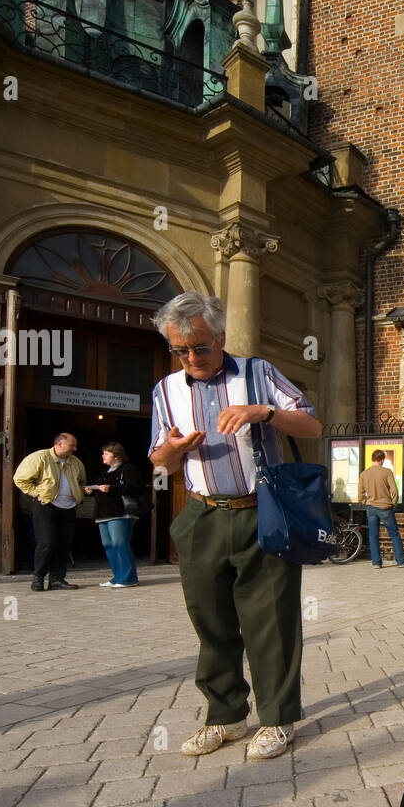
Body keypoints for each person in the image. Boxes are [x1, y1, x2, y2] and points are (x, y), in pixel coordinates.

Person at [149, 291, 322, 761]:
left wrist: (262, 412)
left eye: (200, 347)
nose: (191, 358)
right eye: (179, 350)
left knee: (271, 622)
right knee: (212, 622)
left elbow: (311, 425)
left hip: (261, 511)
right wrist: (173, 449)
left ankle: (278, 719)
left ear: (220, 337)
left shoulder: (258, 373)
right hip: (201, 516)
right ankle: (225, 715)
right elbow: (158, 461)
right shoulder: (165, 391)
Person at [13, 431, 86, 591]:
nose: (75, 448)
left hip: (68, 508)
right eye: (72, 445)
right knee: (46, 543)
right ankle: (38, 577)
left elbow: (81, 481)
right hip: (46, 505)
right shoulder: (39, 457)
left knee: (64, 545)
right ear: (59, 444)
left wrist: (81, 492)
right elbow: (20, 479)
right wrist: (36, 493)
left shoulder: (76, 462)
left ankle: (57, 579)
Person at [84, 441, 145, 588]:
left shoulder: (128, 469)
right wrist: (93, 491)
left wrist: (111, 488)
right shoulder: (105, 471)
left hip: (120, 512)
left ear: (117, 456)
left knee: (120, 543)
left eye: (106, 453)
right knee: (108, 545)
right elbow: (103, 490)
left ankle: (128, 578)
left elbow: (135, 488)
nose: (103, 455)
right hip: (103, 512)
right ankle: (117, 576)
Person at [358, 450, 404, 568]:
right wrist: (393, 502)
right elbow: (394, 490)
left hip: (371, 507)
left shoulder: (364, 474)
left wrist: (365, 502)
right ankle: (401, 561)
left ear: (372, 459)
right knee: (394, 534)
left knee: (373, 535)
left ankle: (376, 563)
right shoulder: (387, 472)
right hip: (385, 507)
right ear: (382, 460)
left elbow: (360, 493)